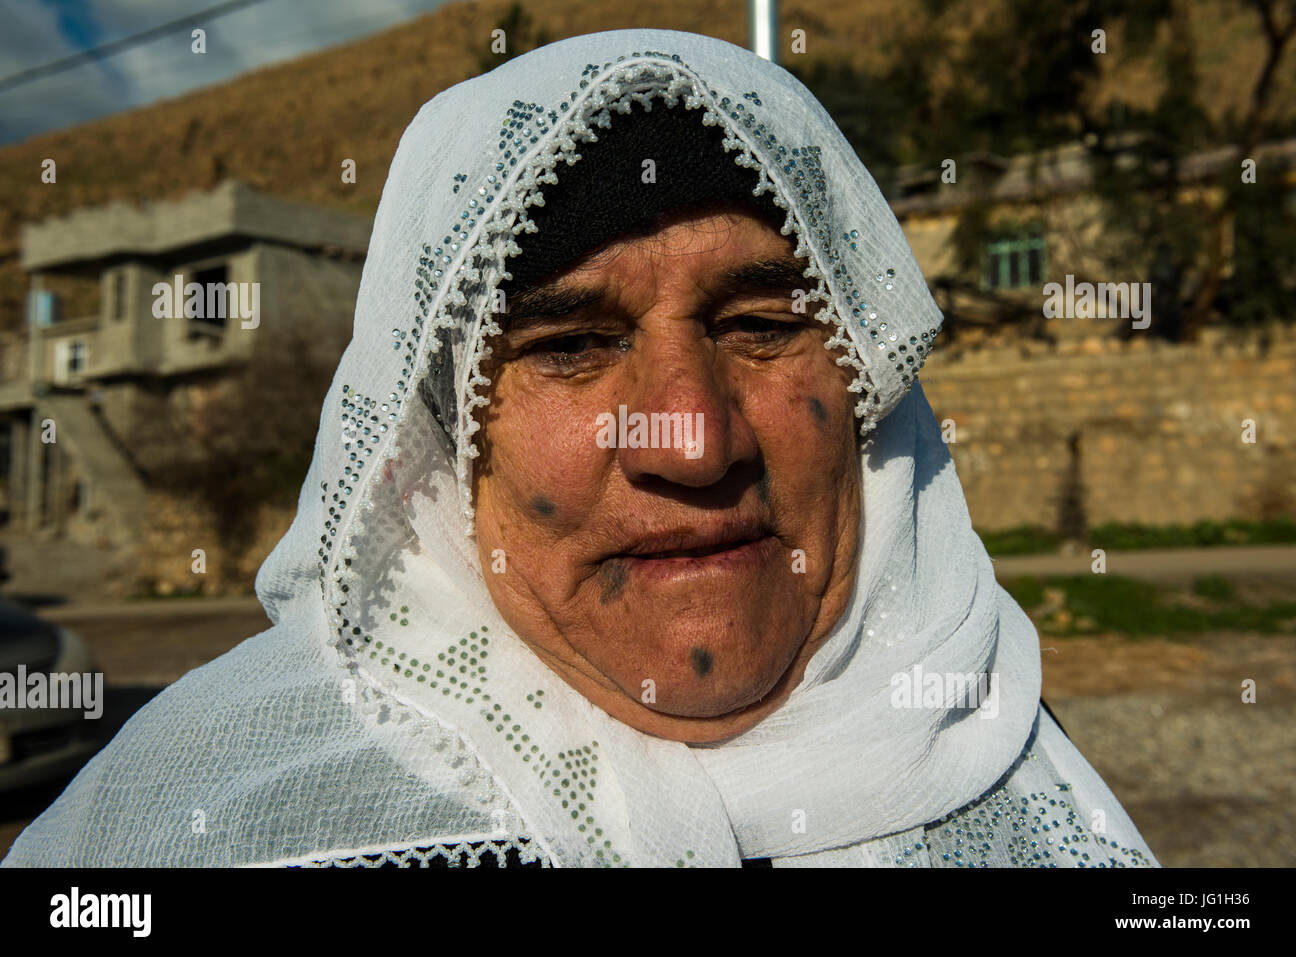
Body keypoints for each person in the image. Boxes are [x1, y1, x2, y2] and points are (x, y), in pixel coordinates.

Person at [3, 28, 1156, 867]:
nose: (695, 444)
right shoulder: (190, 826)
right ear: (448, 439)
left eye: (760, 327)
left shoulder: (991, 740)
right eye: (573, 343)